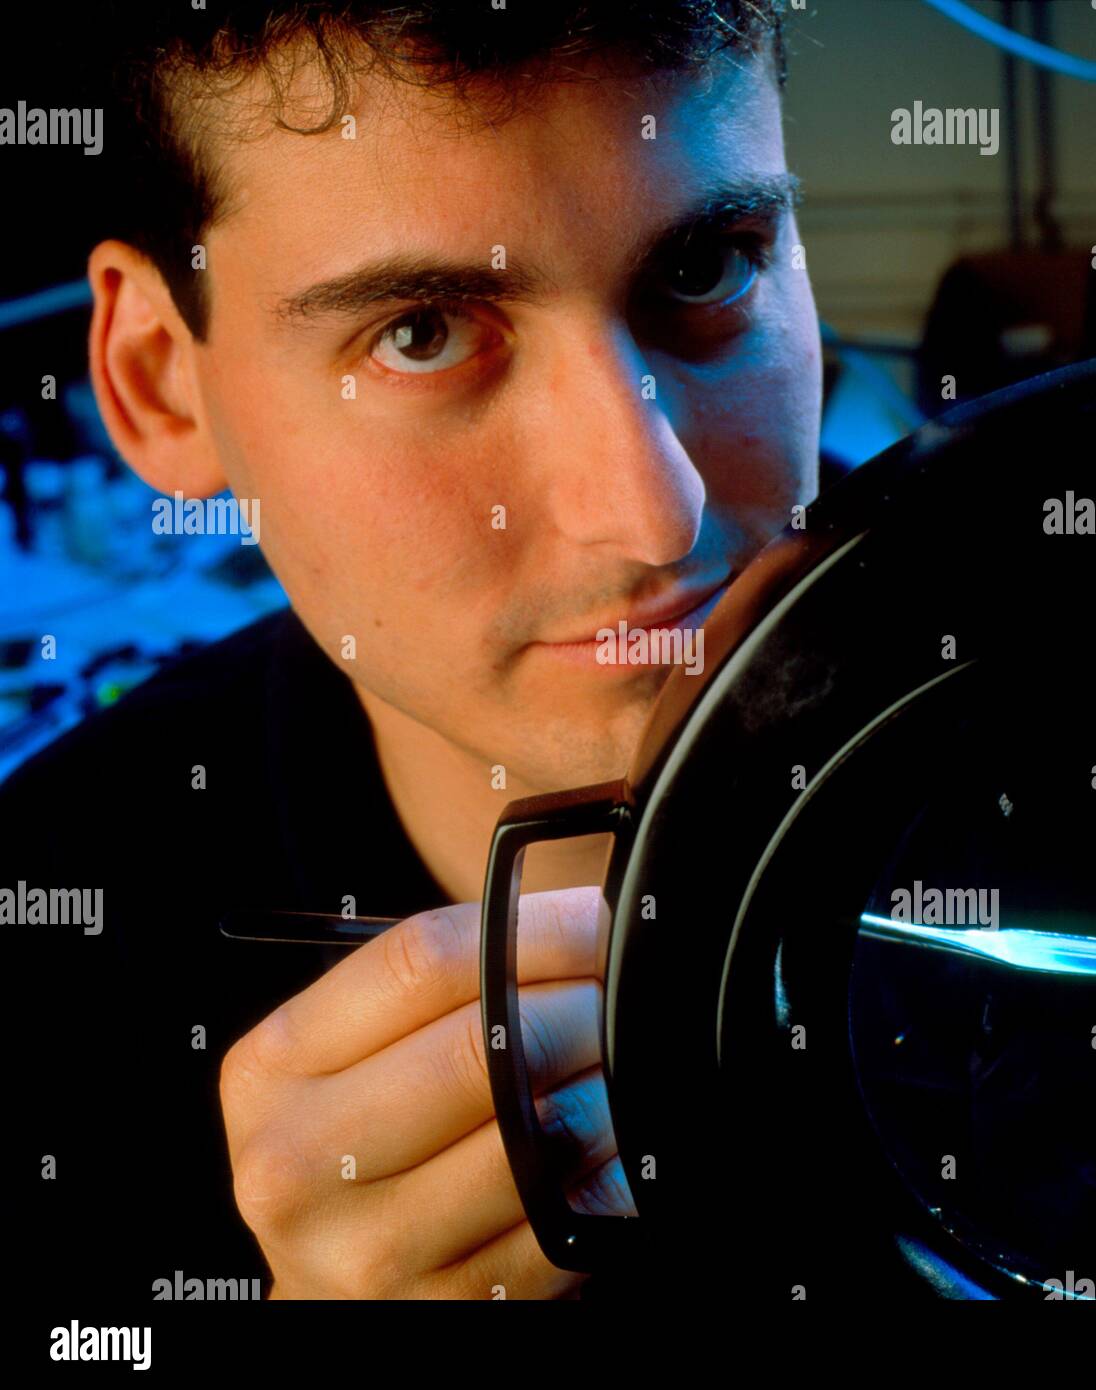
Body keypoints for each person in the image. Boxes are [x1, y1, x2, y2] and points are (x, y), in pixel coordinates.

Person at [3, 0, 832, 1301]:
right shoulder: (50, 956)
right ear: (162, 378)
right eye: (423, 334)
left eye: (708, 265)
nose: (652, 509)